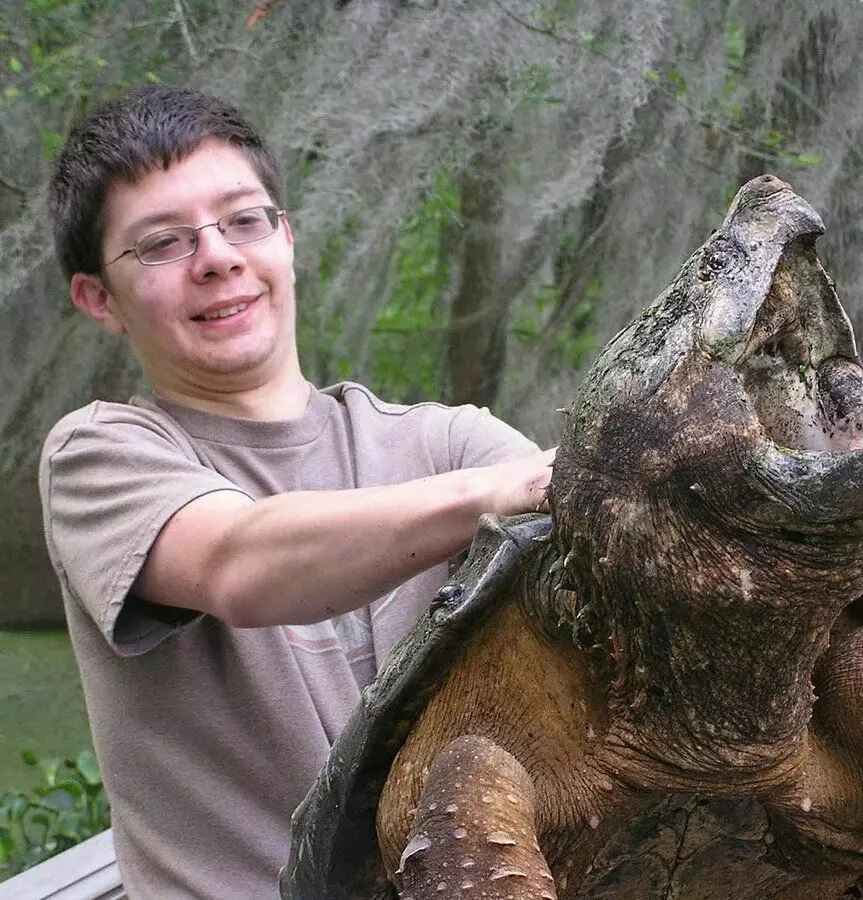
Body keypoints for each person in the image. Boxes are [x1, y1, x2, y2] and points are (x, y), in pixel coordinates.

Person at [37, 84, 555, 899]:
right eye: (163, 244)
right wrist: (503, 493)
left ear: (286, 238)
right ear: (99, 298)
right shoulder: (99, 456)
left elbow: (600, 533)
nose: (217, 258)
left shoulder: (446, 443)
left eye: (245, 220)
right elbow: (240, 564)